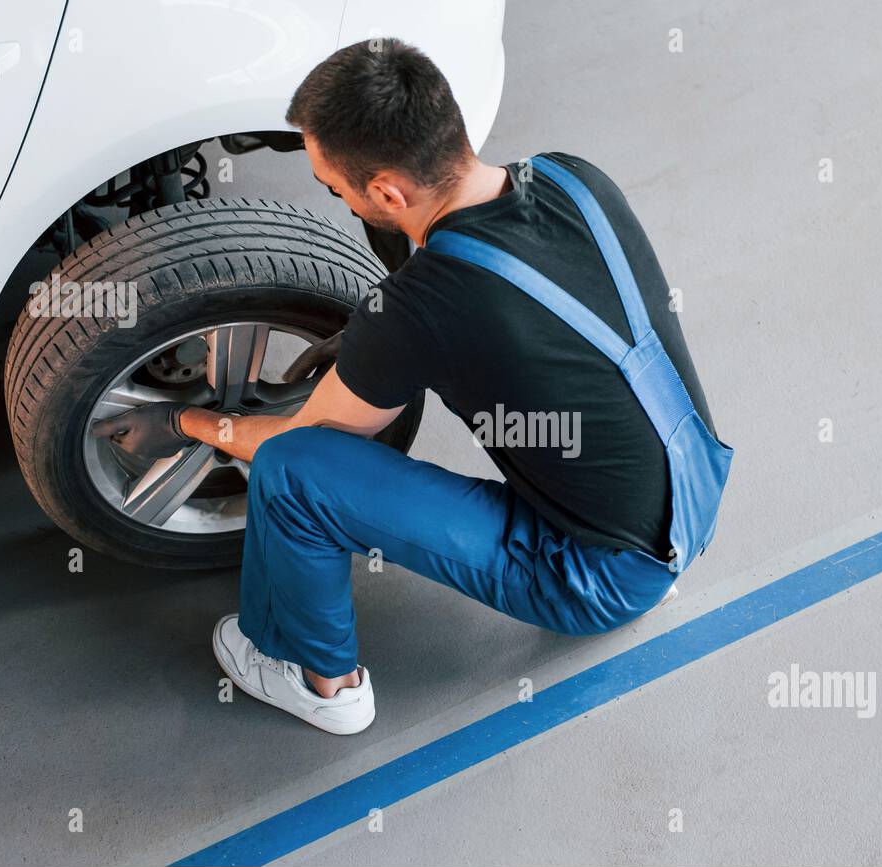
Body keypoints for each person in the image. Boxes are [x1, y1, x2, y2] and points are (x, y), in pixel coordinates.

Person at [92, 38, 731, 735]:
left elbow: (299, 438)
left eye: (334, 186)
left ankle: (317, 681)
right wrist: (380, 340)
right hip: (694, 494)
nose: (333, 194)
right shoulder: (572, 177)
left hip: (598, 578)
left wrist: (188, 424)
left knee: (291, 471)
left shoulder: (419, 312)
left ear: (388, 190)